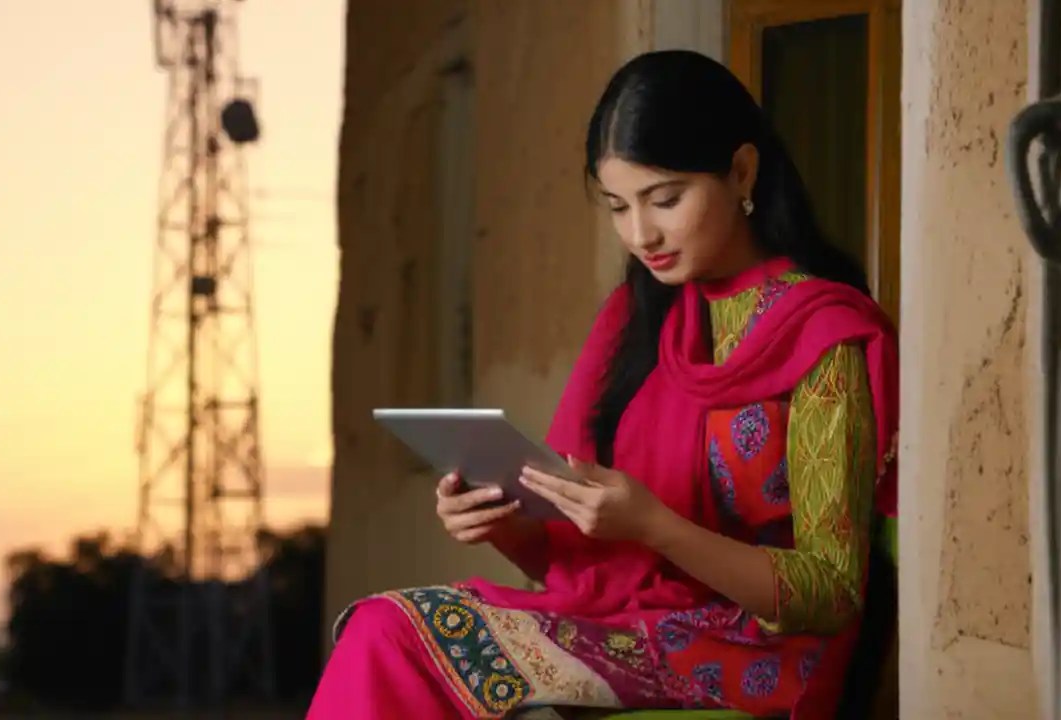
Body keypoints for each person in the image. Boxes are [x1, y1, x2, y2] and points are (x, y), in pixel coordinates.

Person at [306, 49, 899, 719]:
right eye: (619, 206)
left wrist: (656, 526)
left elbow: (831, 592)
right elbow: (579, 560)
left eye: (665, 199)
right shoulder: (636, 319)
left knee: (395, 634)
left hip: (758, 650)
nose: (642, 234)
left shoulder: (822, 334)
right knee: (384, 629)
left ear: (741, 171)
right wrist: (502, 522)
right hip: (634, 624)